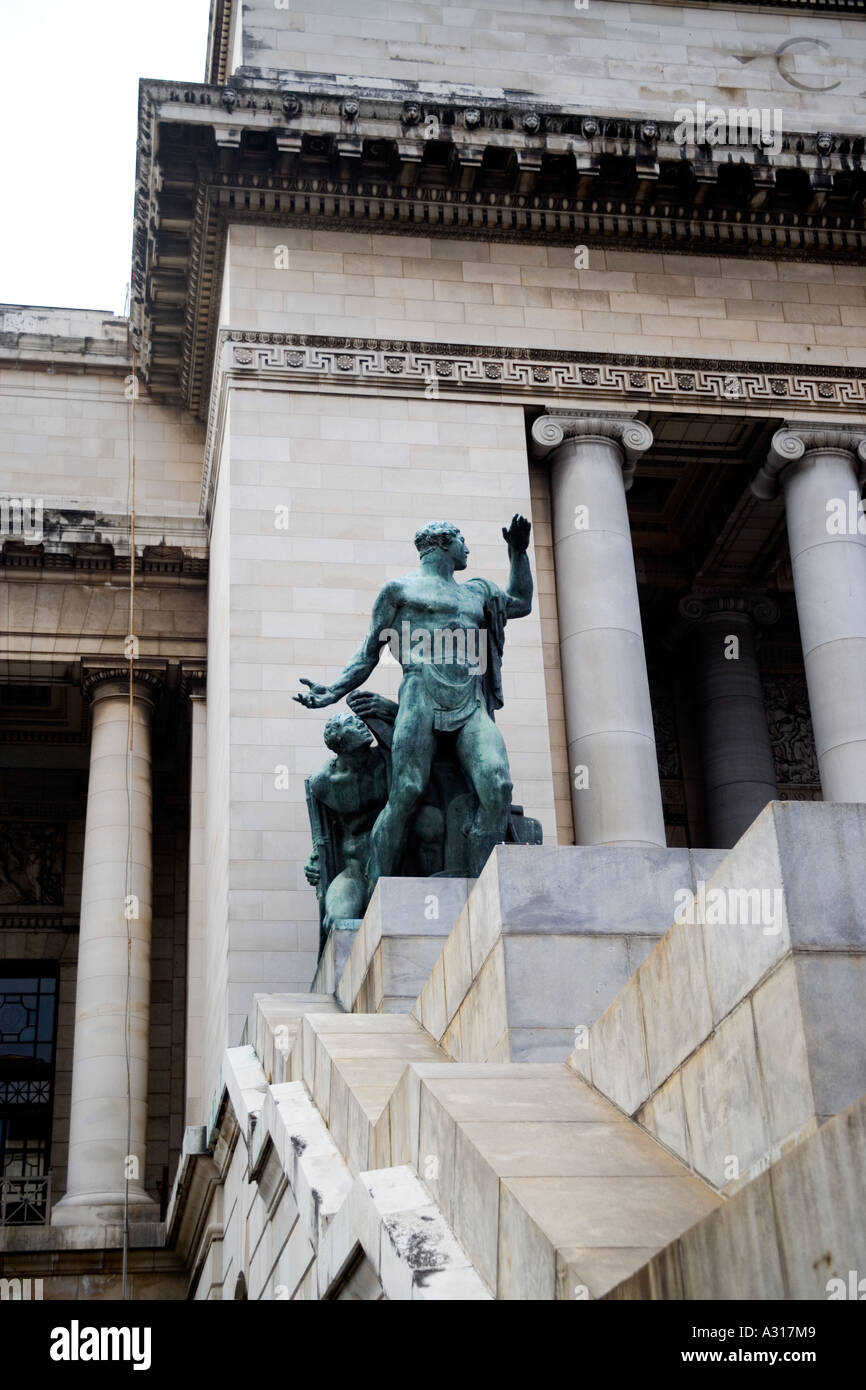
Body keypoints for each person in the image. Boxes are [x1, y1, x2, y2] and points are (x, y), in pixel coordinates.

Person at [295, 515, 532, 879]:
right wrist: (333, 690)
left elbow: (520, 601)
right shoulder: (400, 591)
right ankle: (378, 893)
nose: (466, 548)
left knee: (497, 784)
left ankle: (482, 883)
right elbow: (369, 651)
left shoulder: (477, 591)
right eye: (461, 540)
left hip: (470, 701)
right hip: (420, 696)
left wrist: (518, 552)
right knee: (406, 792)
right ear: (441, 543)